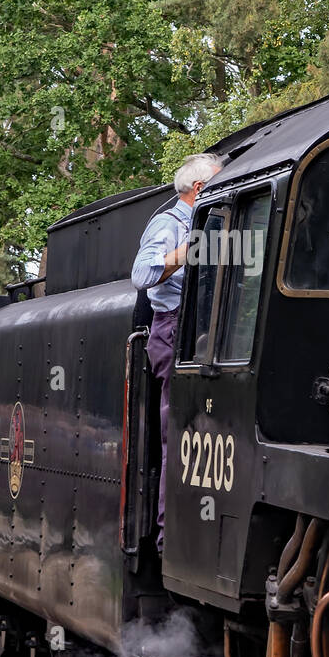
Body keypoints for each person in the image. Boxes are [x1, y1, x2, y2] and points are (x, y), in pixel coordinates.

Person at [130, 152, 223, 554]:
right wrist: (188, 251)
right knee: (175, 432)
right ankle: (169, 533)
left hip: (203, 330)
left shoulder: (214, 223)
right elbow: (141, 274)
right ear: (200, 188)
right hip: (172, 329)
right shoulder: (169, 224)